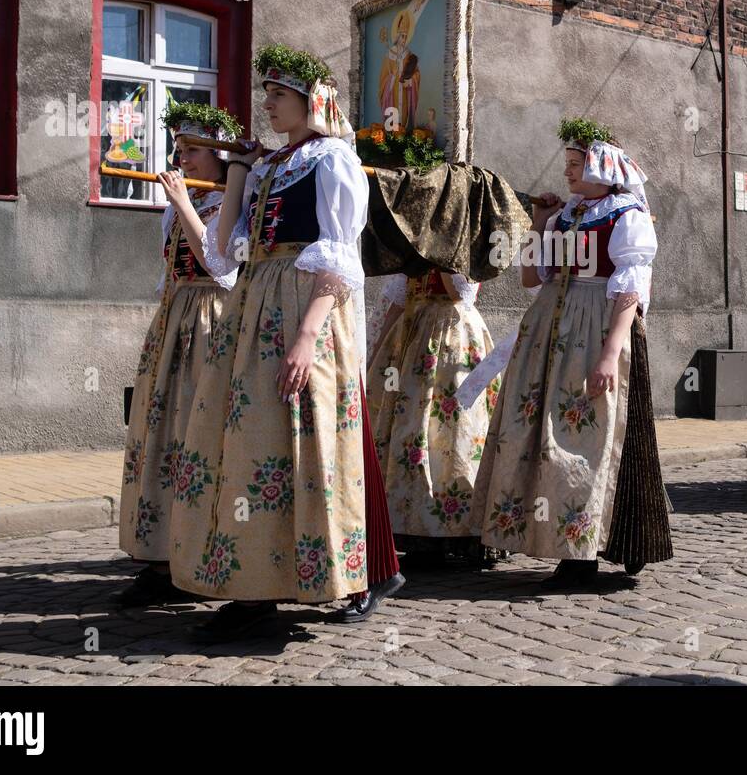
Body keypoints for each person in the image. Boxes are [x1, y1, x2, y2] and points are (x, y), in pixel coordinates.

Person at [169, 44, 402, 641]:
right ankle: (254, 583)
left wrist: (306, 336)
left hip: (308, 305)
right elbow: (222, 255)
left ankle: (341, 572)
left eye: (278, 94)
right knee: (249, 439)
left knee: (313, 439)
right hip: (254, 301)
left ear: (311, 101)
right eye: (267, 93)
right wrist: (242, 170)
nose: (266, 104)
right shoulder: (271, 166)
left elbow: (341, 261)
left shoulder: (332, 160)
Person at [467, 118, 672, 586]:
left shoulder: (627, 217)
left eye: (577, 164)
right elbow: (530, 278)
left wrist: (609, 353)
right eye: (568, 164)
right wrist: (539, 222)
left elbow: (629, 292)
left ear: (604, 165)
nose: (568, 173)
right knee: (538, 433)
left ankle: (583, 553)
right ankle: (558, 542)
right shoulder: (567, 215)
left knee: (586, 438)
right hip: (549, 329)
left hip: (595, 324)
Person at [117, 104, 241, 605]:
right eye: (179, 150)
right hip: (174, 319)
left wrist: (184, 205)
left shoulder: (234, 201)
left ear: (217, 153)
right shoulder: (180, 203)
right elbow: (169, 269)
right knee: (162, 430)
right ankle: (159, 553)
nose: (181, 159)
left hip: (214, 319)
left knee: (201, 432)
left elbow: (221, 266)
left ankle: (204, 551)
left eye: (191, 150)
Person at [368, 269, 497, 566]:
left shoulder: (463, 243)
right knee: (411, 433)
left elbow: (461, 296)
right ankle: (415, 531)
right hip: (411, 336)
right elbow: (399, 299)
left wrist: (440, 257)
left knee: (452, 435)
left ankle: (460, 532)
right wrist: (376, 350)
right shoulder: (413, 244)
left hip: (454, 337)